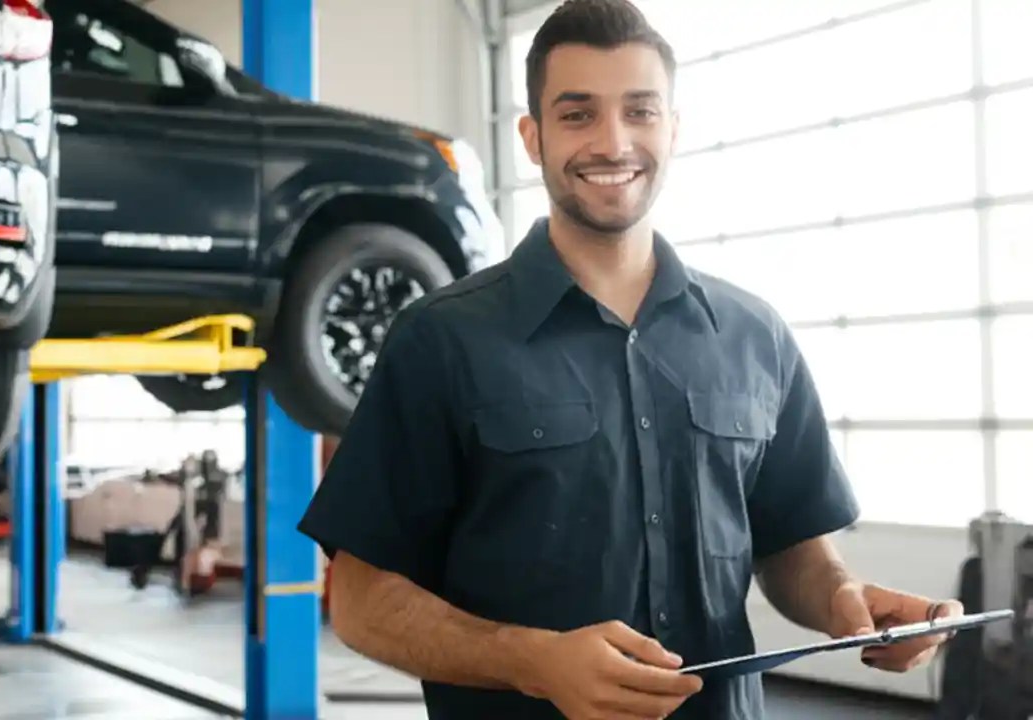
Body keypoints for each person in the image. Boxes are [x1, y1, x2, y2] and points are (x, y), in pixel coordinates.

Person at [296, 0, 965, 718]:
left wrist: (846, 602)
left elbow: (791, 547)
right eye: (578, 114)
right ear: (533, 136)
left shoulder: (754, 336)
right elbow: (363, 601)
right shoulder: (440, 341)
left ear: (672, 129)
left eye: (640, 111)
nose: (613, 142)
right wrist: (531, 663)